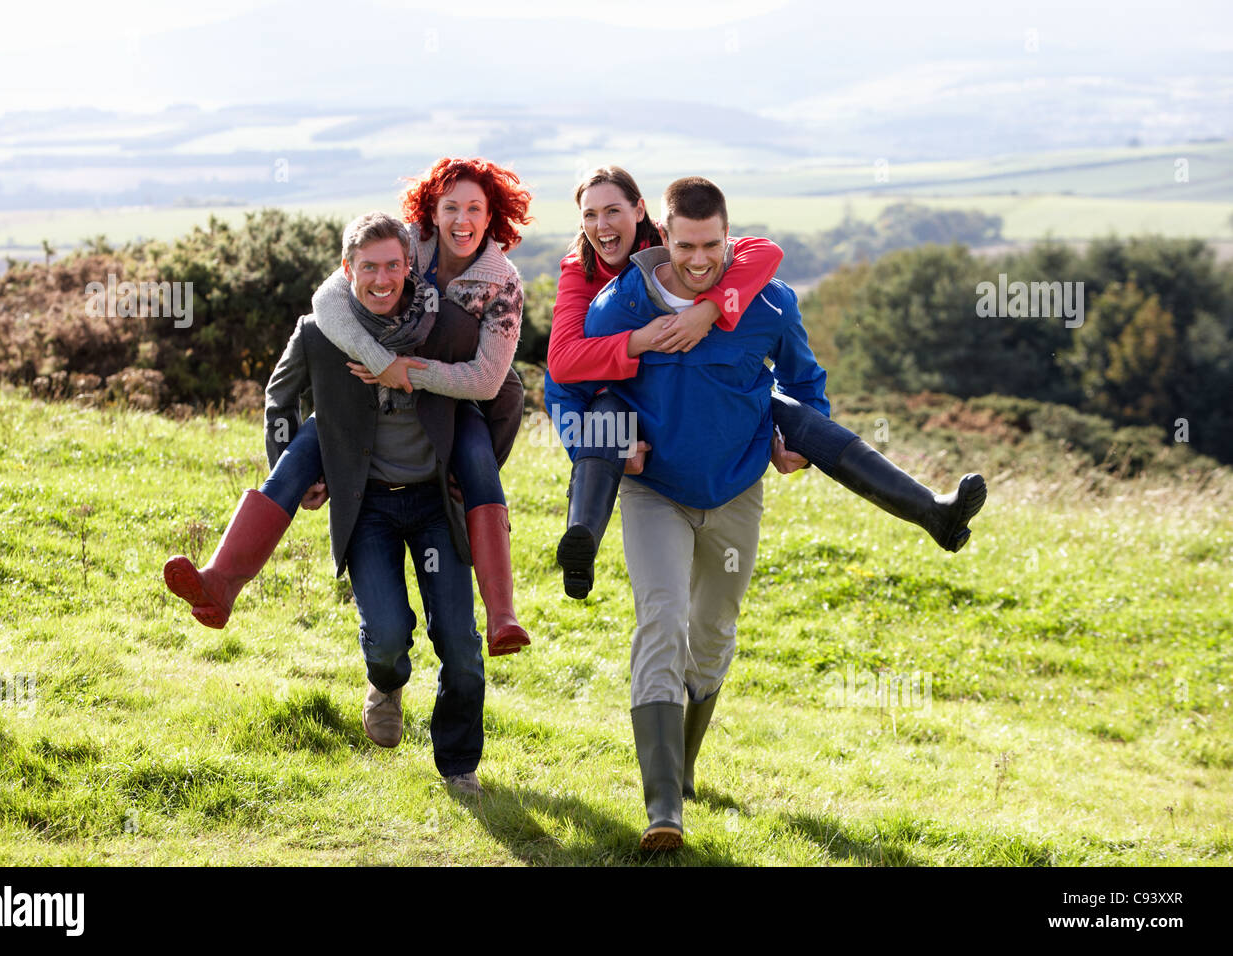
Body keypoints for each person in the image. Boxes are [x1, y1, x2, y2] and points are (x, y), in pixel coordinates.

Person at [545, 176, 981, 850]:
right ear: (663, 235)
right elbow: (566, 388)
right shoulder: (619, 304)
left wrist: (794, 449)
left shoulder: (767, 303)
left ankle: (682, 769)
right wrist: (603, 444)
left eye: (711, 245)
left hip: (736, 488)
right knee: (660, 622)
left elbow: (805, 384)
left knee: (713, 634)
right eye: (685, 245)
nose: (697, 259)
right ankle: (663, 809)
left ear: (728, 236)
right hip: (652, 488)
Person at [547, 166, 986, 602]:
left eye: (613, 211)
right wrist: (639, 341)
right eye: (589, 215)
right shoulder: (583, 276)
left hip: (730, 417)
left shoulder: (690, 239)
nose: (602, 226)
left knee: (795, 416)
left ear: (643, 213)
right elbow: (562, 370)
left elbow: (763, 254)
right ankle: (582, 540)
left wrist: (712, 307)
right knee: (608, 419)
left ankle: (933, 512)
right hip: (625, 405)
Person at [264, 212, 503, 793]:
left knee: (461, 645)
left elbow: (502, 387)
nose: (381, 278)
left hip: (432, 507)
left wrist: (477, 470)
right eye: (368, 267)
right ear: (348, 271)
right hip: (366, 507)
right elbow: (279, 396)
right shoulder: (319, 331)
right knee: (390, 635)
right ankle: (386, 680)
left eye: (393, 265)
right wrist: (288, 464)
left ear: (410, 266)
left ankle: (458, 764)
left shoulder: (444, 324)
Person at [312, 157, 534, 656]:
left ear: (490, 214)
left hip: (460, 400)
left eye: (474, 208)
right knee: (314, 435)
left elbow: (486, 379)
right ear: (431, 212)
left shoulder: (504, 282)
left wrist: (406, 371)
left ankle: (502, 615)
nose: (462, 220)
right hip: (383, 395)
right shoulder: (406, 244)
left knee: (479, 458)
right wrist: (378, 359)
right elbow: (327, 299)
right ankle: (223, 581)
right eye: (450, 206)